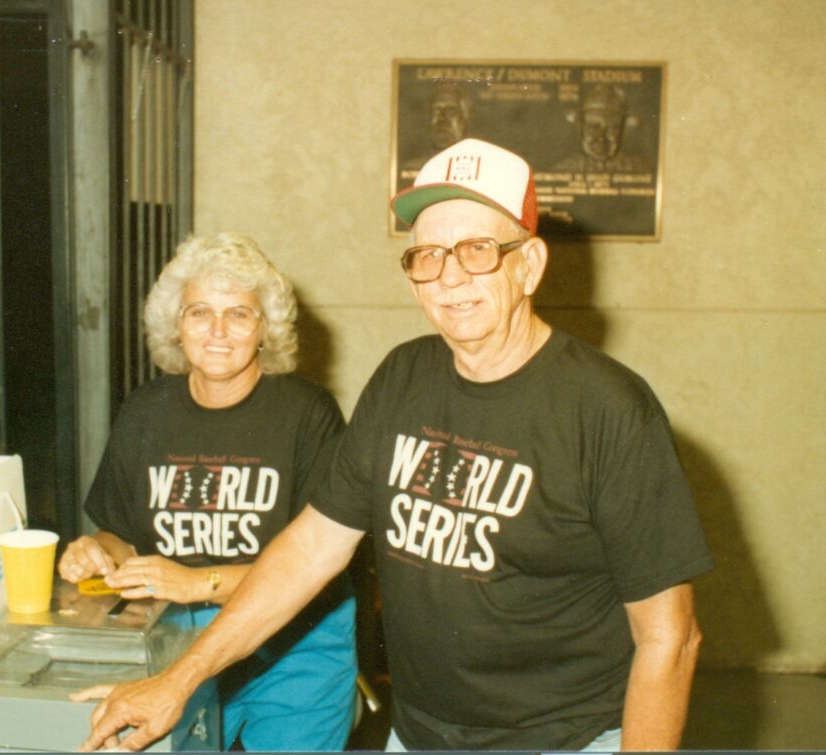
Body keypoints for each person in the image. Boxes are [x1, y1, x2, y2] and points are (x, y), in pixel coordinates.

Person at [73, 140, 713, 752]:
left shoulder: (609, 411)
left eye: (478, 250)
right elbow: (311, 548)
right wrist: (179, 679)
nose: (450, 277)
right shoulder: (403, 378)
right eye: (428, 255)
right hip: (418, 735)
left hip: (564, 742)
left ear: (530, 264)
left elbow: (671, 638)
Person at [59, 232, 357, 751]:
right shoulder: (144, 411)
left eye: (238, 314)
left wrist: (195, 582)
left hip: (294, 649)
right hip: (174, 640)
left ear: (265, 328)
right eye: (200, 312)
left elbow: (314, 566)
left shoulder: (308, 414)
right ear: (176, 325)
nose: (218, 331)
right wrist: (98, 554)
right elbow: (121, 535)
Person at [552, 83, 652, 173]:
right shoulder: (562, 170)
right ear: (581, 127)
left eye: (611, 128)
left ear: (623, 131)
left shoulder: (642, 169)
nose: (601, 137)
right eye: (594, 127)